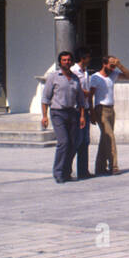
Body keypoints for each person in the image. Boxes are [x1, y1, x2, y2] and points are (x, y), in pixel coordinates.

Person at [40, 52, 87, 183]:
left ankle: (67, 172)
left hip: (72, 113)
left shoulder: (75, 78)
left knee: (73, 143)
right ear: (60, 62)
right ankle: (58, 172)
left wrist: (82, 116)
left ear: (71, 62)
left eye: (68, 60)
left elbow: (81, 99)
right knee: (64, 142)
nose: (66, 62)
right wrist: (44, 116)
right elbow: (45, 98)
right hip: (57, 113)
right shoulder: (53, 77)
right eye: (64, 60)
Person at [88, 54, 129, 176]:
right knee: (110, 137)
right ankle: (114, 166)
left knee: (105, 138)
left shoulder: (113, 75)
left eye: (114, 66)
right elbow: (90, 96)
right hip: (100, 109)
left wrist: (120, 65)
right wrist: (91, 113)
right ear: (104, 64)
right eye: (111, 65)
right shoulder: (95, 78)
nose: (113, 68)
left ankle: (100, 167)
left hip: (110, 109)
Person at [70, 46, 94, 181]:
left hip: (85, 108)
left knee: (85, 141)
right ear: (83, 58)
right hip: (77, 110)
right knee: (76, 141)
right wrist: (85, 92)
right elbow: (75, 88)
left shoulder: (85, 72)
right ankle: (68, 168)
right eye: (88, 57)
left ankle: (83, 170)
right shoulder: (74, 71)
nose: (90, 59)